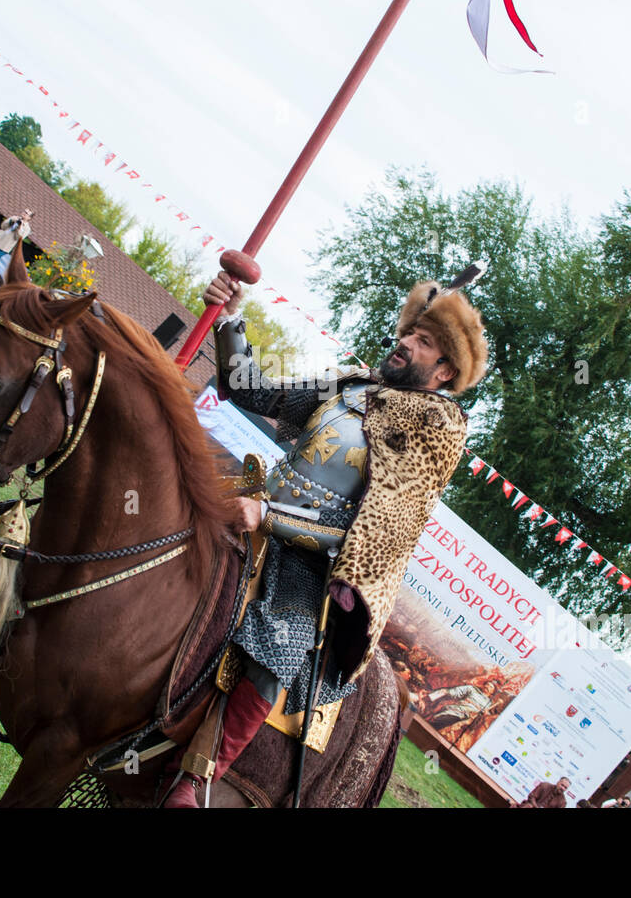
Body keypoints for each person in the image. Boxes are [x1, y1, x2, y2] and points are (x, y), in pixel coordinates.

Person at [164, 258, 488, 807]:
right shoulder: (353, 386)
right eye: (410, 329)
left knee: (280, 642)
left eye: (425, 340)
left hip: (317, 564)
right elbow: (255, 391)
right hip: (252, 509)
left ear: (446, 372)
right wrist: (230, 319)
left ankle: (196, 778)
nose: (407, 341)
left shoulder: (439, 425)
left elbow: (377, 537)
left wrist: (267, 518)